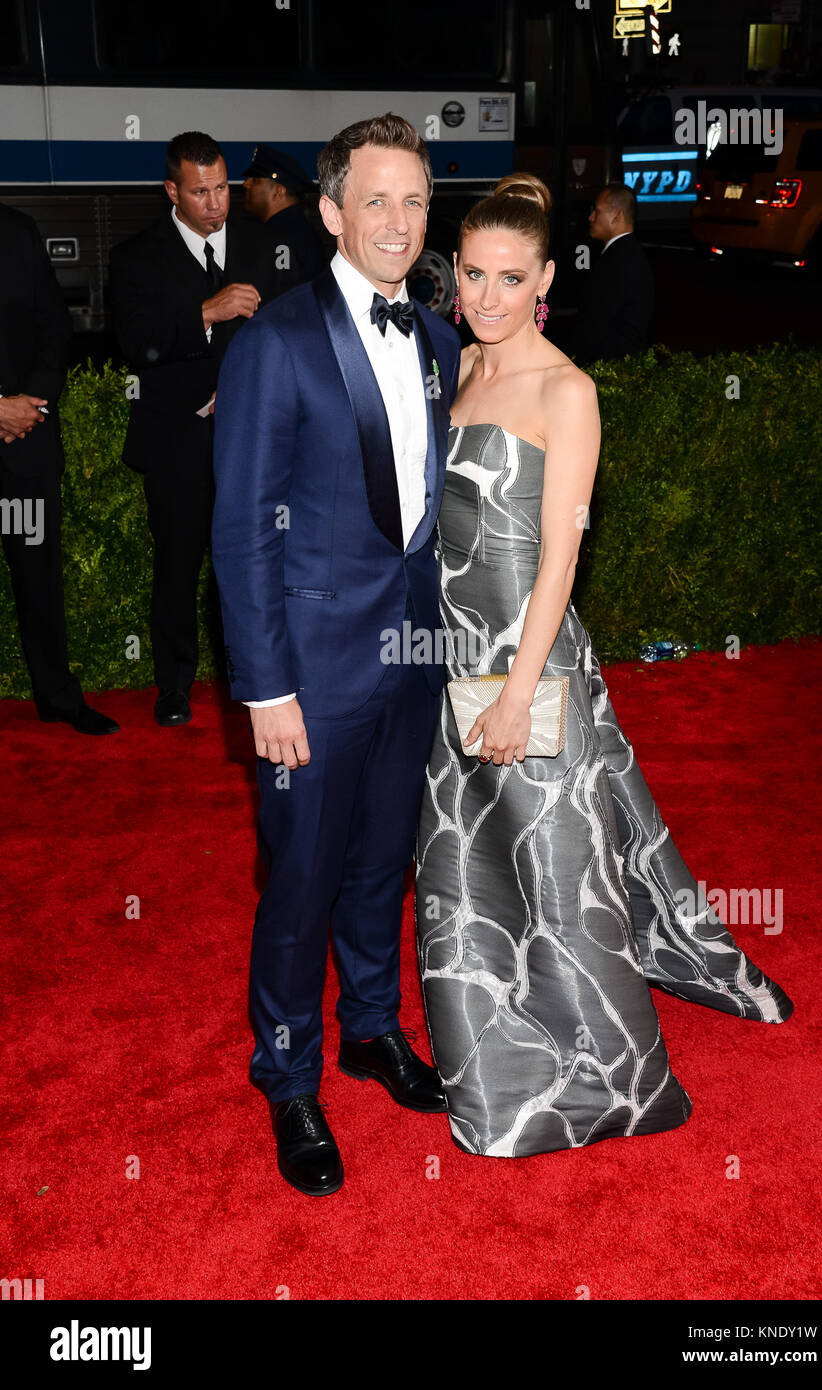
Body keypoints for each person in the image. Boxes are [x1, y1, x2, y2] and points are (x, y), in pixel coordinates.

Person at [415, 173, 793, 1159]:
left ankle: (604, 1080)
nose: (487, 296)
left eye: (509, 277)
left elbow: (561, 558)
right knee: (463, 873)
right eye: (471, 274)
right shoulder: (455, 369)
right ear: (453, 273)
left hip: (524, 660)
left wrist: (517, 693)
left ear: (545, 278)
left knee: (556, 871)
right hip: (451, 653)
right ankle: (487, 1067)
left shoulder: (566, 391)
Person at [211, 114, 462, 1197]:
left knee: (381, 865)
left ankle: (369, 1027)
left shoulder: (442, 340)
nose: (399, 222)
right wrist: (264, 684)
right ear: (329, 213)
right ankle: (289, 1075)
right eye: (376, 200)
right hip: (308, 673)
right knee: (301, 880)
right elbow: (238, 523)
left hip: (415, 657)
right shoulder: (277, 340)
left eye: (414, 201)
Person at [110, 131, 281, 728]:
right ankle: (174, 686)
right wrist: (207, 312)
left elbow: (291, 334)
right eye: (199, 192)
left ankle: (260, 681)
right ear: (171, 191)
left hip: (255, 438)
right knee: (177, 568)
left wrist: (245, 390)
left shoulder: (264, 245)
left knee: (260, 565)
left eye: (221, 189)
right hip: (177, 443)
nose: (215, 203)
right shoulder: (138, 254)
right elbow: (137, 344)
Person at [0, 203, 118, 735]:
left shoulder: (17, 229)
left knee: (39, 581)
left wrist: (30, 402)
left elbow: (55, 325)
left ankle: (57, 697)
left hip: (23, 444)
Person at [573, 182, 655, 364]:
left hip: (611, 369)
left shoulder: (621, 260)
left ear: (617, 215)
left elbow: (597, 325)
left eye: (597, 211)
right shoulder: (623, 254)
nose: (591, 217)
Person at [242, 142, 328, 289]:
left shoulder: (281, 236)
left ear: (278, 191)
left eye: (256, 180)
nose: (246, 184)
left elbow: (281, 295)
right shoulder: (295, 229)